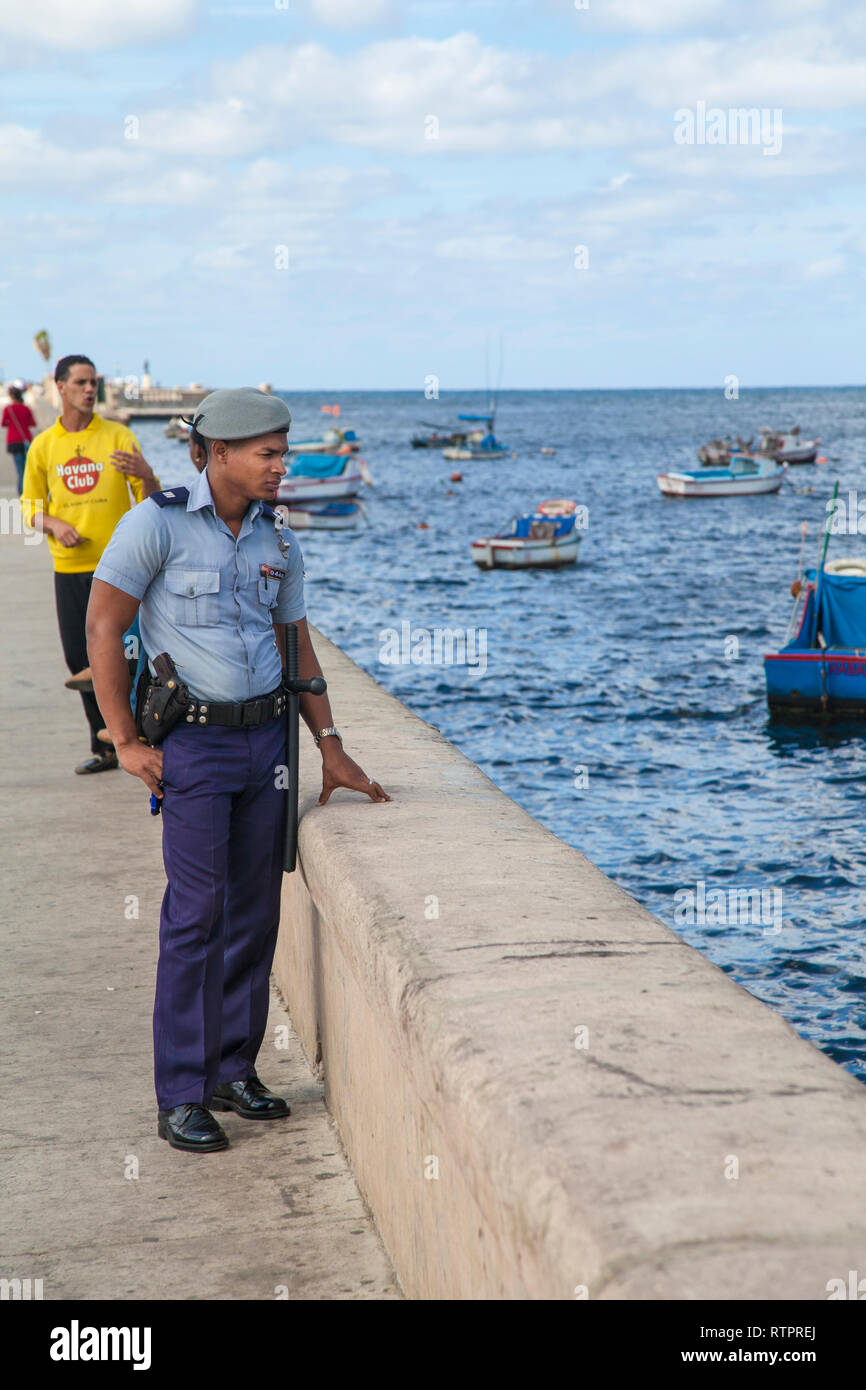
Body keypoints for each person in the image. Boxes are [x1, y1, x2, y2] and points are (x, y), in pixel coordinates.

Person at [86, 387, 391, 1154]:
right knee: (195, 915)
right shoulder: (155, 524)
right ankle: (181, 1092)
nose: (281, 466)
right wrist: (123, 740)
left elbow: (295, 642)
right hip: (193, 744)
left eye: (284, 452)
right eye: (268, 453)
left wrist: (329, 743)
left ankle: (232, 1069)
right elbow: (103, 623)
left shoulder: (279, 542)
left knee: (255, 910)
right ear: (219, 453)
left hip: (269, 746)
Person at [21, 355, 160, 774]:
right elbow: (26, 510)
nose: (89, 389)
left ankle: (137, 738)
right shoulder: (43, 446)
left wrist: (147, 472)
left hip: (120, 569)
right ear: (59, 387)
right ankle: (106, 746)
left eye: (93, 382)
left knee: (129, 656)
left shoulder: (119, 437)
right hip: (69, 566)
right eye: (80, 382)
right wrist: (54, 523)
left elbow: (152, 504)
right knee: (77, 660)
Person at [2, 384, 36, 495]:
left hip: (14, 441)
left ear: (12, 397)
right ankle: (27, 489)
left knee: (20, 468)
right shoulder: (26, 408)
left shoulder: (8, 409)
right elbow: (32, 423)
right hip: (26, 439)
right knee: (28, 467)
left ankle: (22, 491)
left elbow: (3, 423)